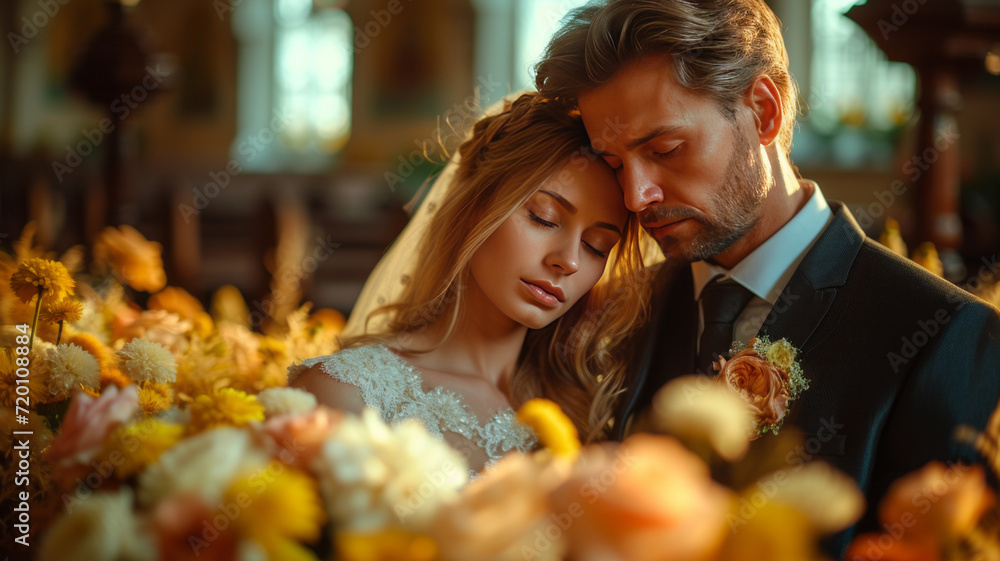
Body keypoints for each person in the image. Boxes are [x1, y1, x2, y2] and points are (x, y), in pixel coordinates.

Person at [534, 0, 1000, 557]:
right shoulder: (614, 310)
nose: (638, 196)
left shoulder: (949, 336)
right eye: (614, 164)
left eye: (665, 150)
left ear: (763, 110)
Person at [289, 92, 650, 474]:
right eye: (544, 218)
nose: (570, 261)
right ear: (475, 202)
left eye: (597, 246)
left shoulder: (590, 414)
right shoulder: (348, 396)